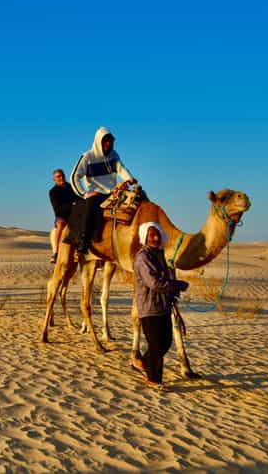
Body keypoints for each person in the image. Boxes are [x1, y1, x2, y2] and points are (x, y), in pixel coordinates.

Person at [133, 222, 189, 389]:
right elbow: (154, 282)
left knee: (165, 342)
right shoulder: (143, 257)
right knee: (157, 345)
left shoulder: (158, 254)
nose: (156, 238)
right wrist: (177, 285)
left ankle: (141, 361)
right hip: (149, 306)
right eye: (151, 235)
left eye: (157, 234)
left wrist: (172, 292)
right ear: (144, 237)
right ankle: (154, 379)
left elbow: (163, 277)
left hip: (163, 304)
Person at [71, 126, 136, 254]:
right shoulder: (87, 157)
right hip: (96, 193)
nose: (108, 144)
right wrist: (84, 193)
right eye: (105, 141)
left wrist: (130, 178)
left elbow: (121, 168)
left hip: (113, 192)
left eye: (110, 141)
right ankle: (84, 241)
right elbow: (74, 176)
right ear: (99, 141)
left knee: (136, 199)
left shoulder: (114, 155)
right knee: (90, 206)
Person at [48, 168, 76, 263]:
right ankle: (56, 253)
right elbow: (57, 208)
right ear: (54, 179)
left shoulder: (71, 187)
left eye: (62, 175)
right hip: (62, 216)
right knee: (60, 225)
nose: (61, 178)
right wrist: (72, 205)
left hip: (75, 214)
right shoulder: (53, 192)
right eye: (58, 176)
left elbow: (78, 198)